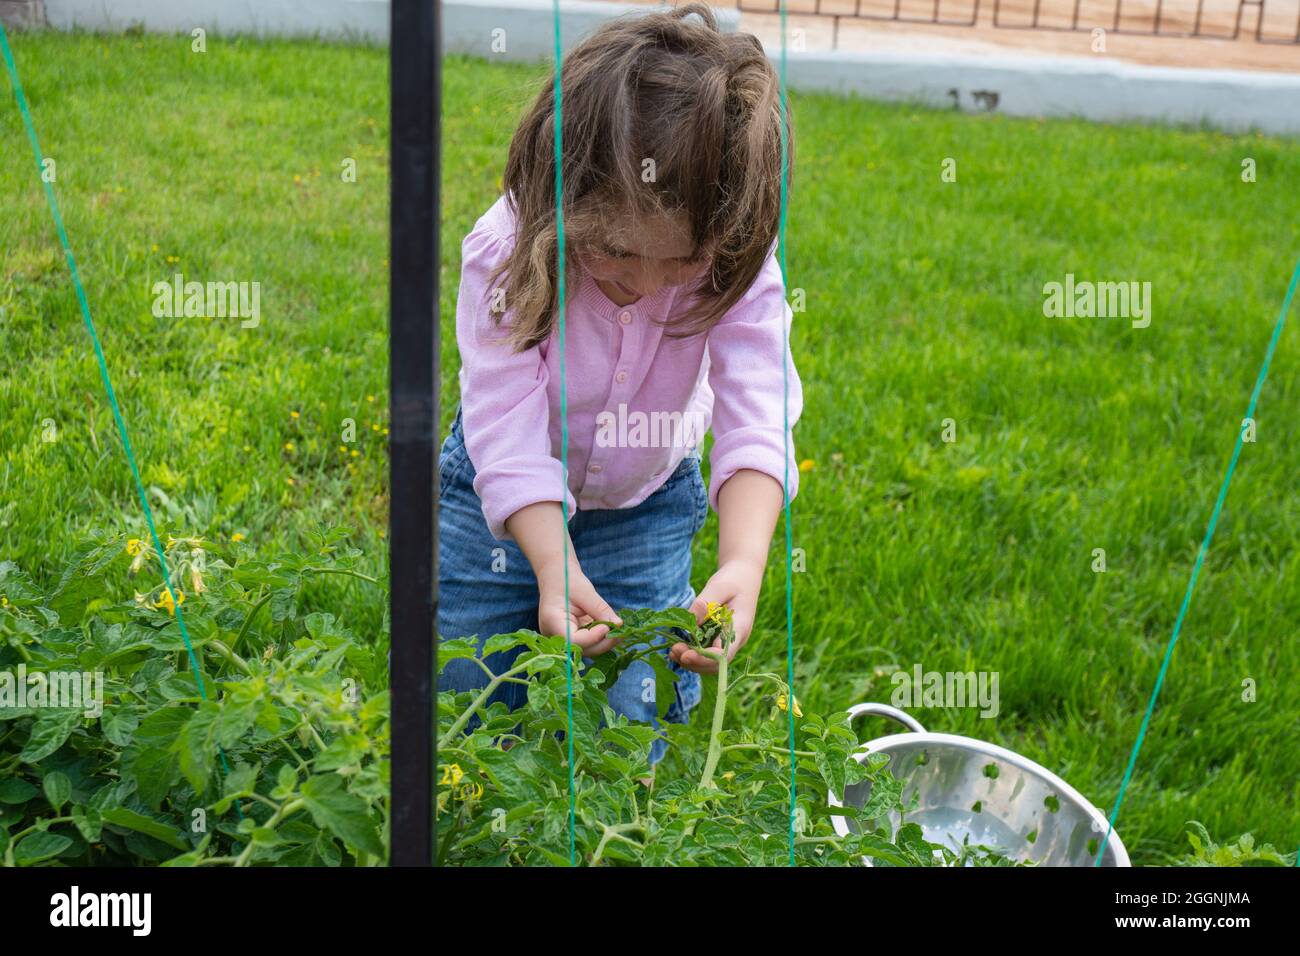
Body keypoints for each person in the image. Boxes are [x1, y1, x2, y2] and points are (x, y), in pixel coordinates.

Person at [438, 3, 802, 766]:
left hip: (647, 507)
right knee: (467, 693)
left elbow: (756, 414)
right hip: (495, 501)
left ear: (724, 234)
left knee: (633, 719)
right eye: (610, 249)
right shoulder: (507, 248)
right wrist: (549, 560)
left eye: (675, 261)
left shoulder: (736, 268)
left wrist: (743, 560)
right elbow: (502, 421)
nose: (639, 282)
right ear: (559, 194)